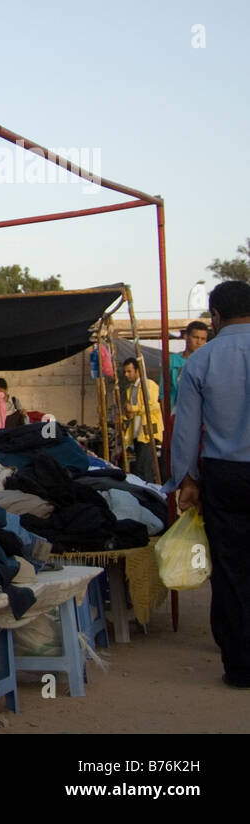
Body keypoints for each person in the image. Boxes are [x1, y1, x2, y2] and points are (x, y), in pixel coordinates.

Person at [166, 280, 250, 689]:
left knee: (231, 569)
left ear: (215, 317)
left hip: (225, 475)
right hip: (227, 473)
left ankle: (241, 667)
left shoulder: (202, 362)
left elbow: (186, 430)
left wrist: (186, 479)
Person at [120, 357, 163, 484]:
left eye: (129, 371)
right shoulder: (130, 390)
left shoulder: (148, 385)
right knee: (141, 468)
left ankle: (149, 495)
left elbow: (153, 406)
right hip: (137, 434)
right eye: (125, 372)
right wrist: (126, 416)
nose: (126, 375)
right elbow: (132, 414)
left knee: (143, 469)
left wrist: (133, 408)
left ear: (137, 370)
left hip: (148, 431)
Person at [168, 320, 209, 402]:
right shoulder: (172, 360)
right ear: (186, 336)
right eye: (195, 337)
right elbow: (164, 393)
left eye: (203, 339)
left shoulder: (208, 362)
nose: (199, 342)